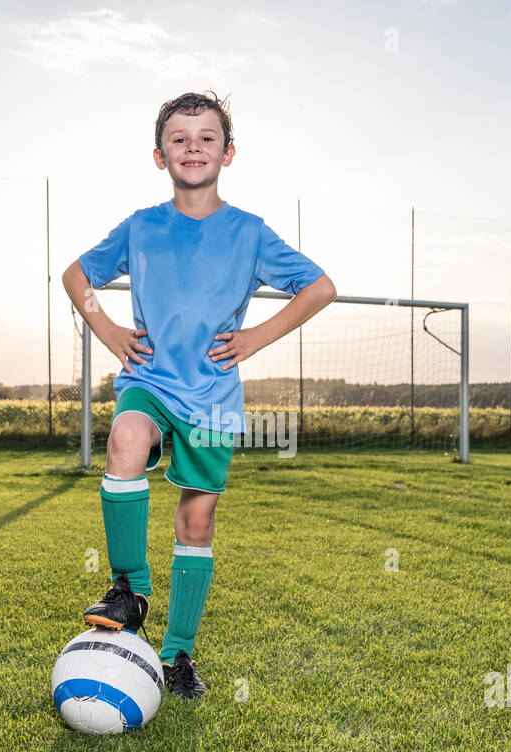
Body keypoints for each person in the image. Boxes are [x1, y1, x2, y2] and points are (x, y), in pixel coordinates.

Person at [61, 91, 336, 699]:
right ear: (160, 156)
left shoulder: (250, 232)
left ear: (228, 153)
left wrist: (255, 337)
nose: (193, 147)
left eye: (206, 137)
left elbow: (320, 287)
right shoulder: (141, 226)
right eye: (179, 139)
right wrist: (106, 329)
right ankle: (129, 589)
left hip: (213, 398)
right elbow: (76, 274)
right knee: (125, 439)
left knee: (197, 518)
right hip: (150, 382)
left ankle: (177, 656)